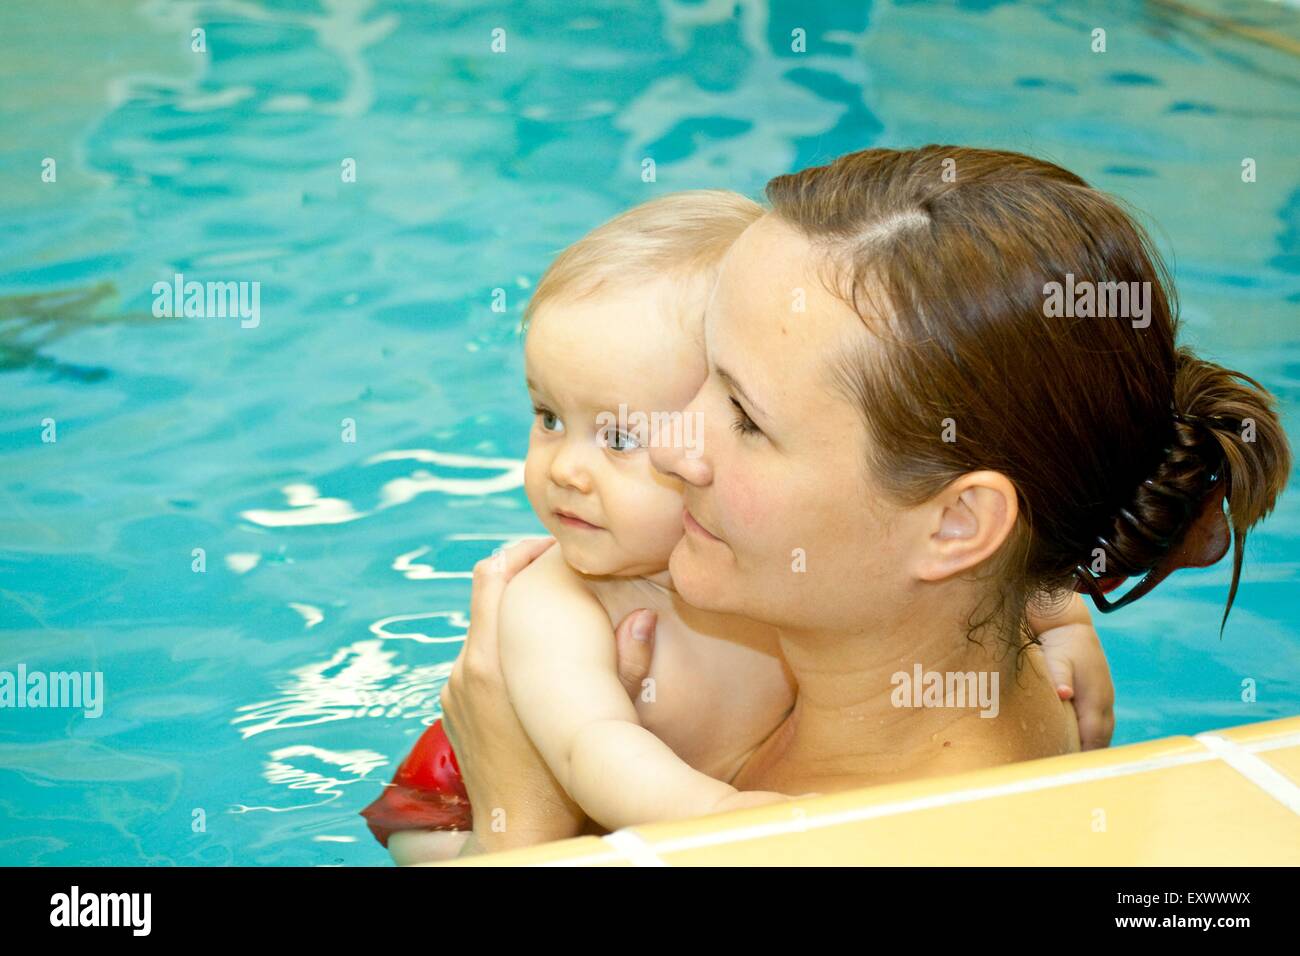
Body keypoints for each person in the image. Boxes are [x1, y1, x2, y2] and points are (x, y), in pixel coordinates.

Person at [362, 191, 1114, 863]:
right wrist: (711, 813)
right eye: (547, 417)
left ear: (959, 525)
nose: (677, 451)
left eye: (744, 416)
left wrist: (525, 837)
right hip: (460, 790)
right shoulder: (569, 600)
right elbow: (593, 744)